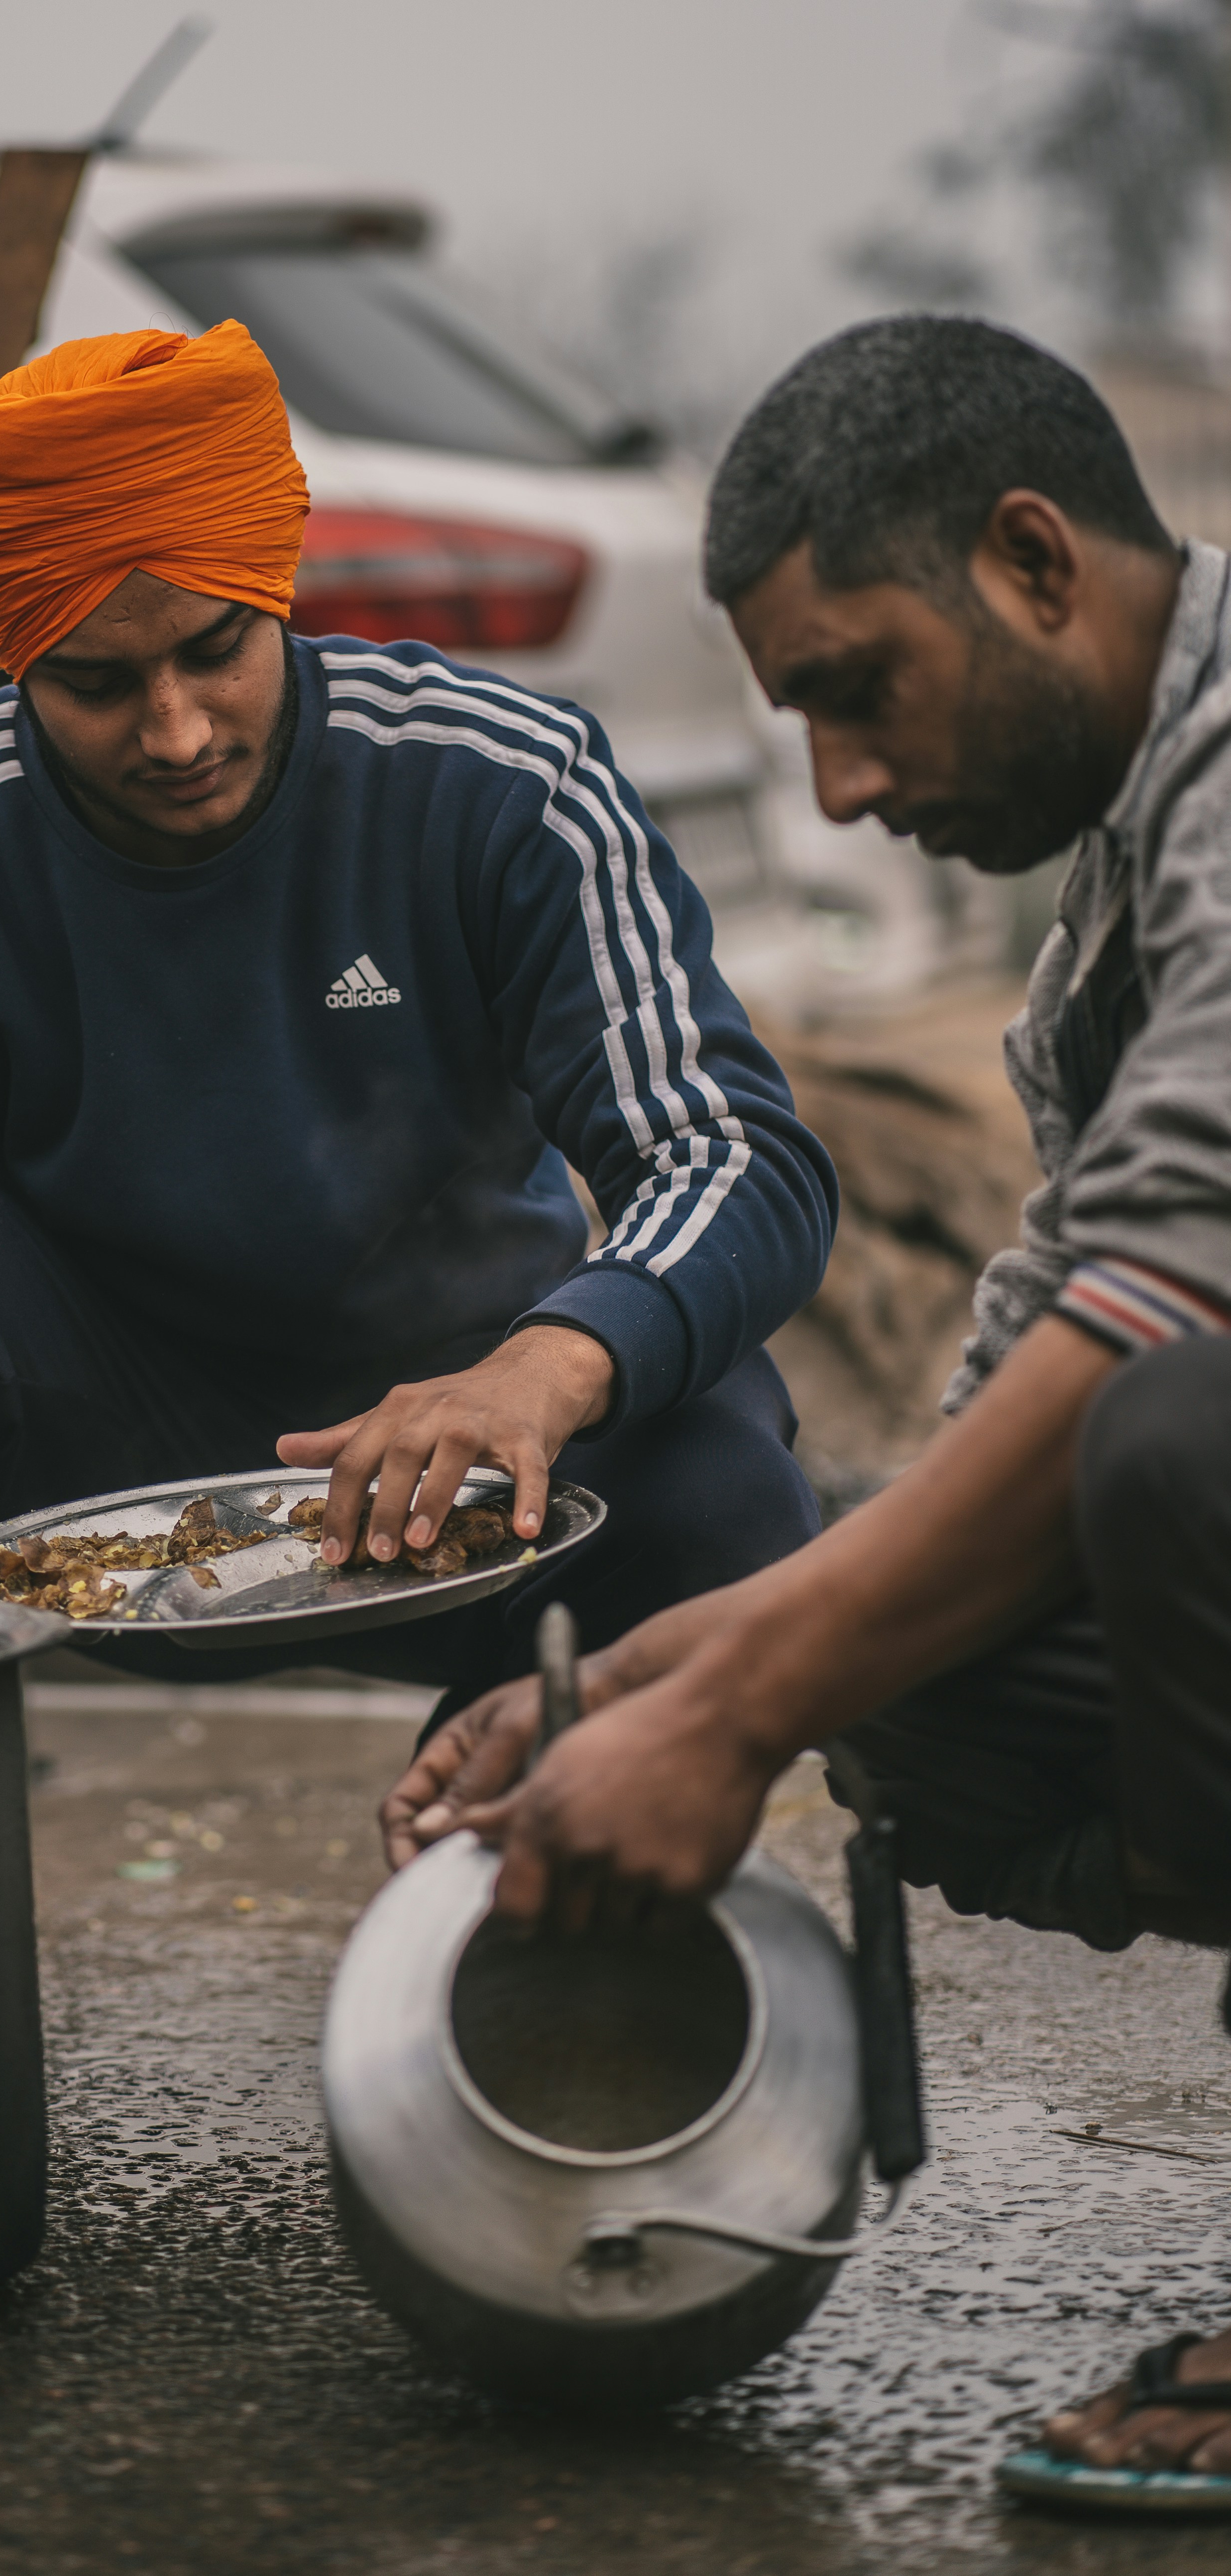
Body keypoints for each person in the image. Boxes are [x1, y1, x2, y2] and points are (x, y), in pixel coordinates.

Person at [382, 315, 1231, 2513]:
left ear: (1034, 561)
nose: (842, 788)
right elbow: (1022, 1366)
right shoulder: (1112, 925)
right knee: (912, 1651)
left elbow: (1166, 1303)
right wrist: (648, 1682)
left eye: (858, 686)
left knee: (1175, 1455)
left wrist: (733, 1715)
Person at [0, 320, 837, 1707]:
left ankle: (538, 1846)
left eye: (217, 651)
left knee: (720, 1454)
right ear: (2, 657)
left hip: (471, 1462)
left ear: (278, 588)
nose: (179, 733)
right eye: (96, 682)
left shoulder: (500, 786)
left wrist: (548, 1368)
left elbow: (734, 1155)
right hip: (88, 1485)